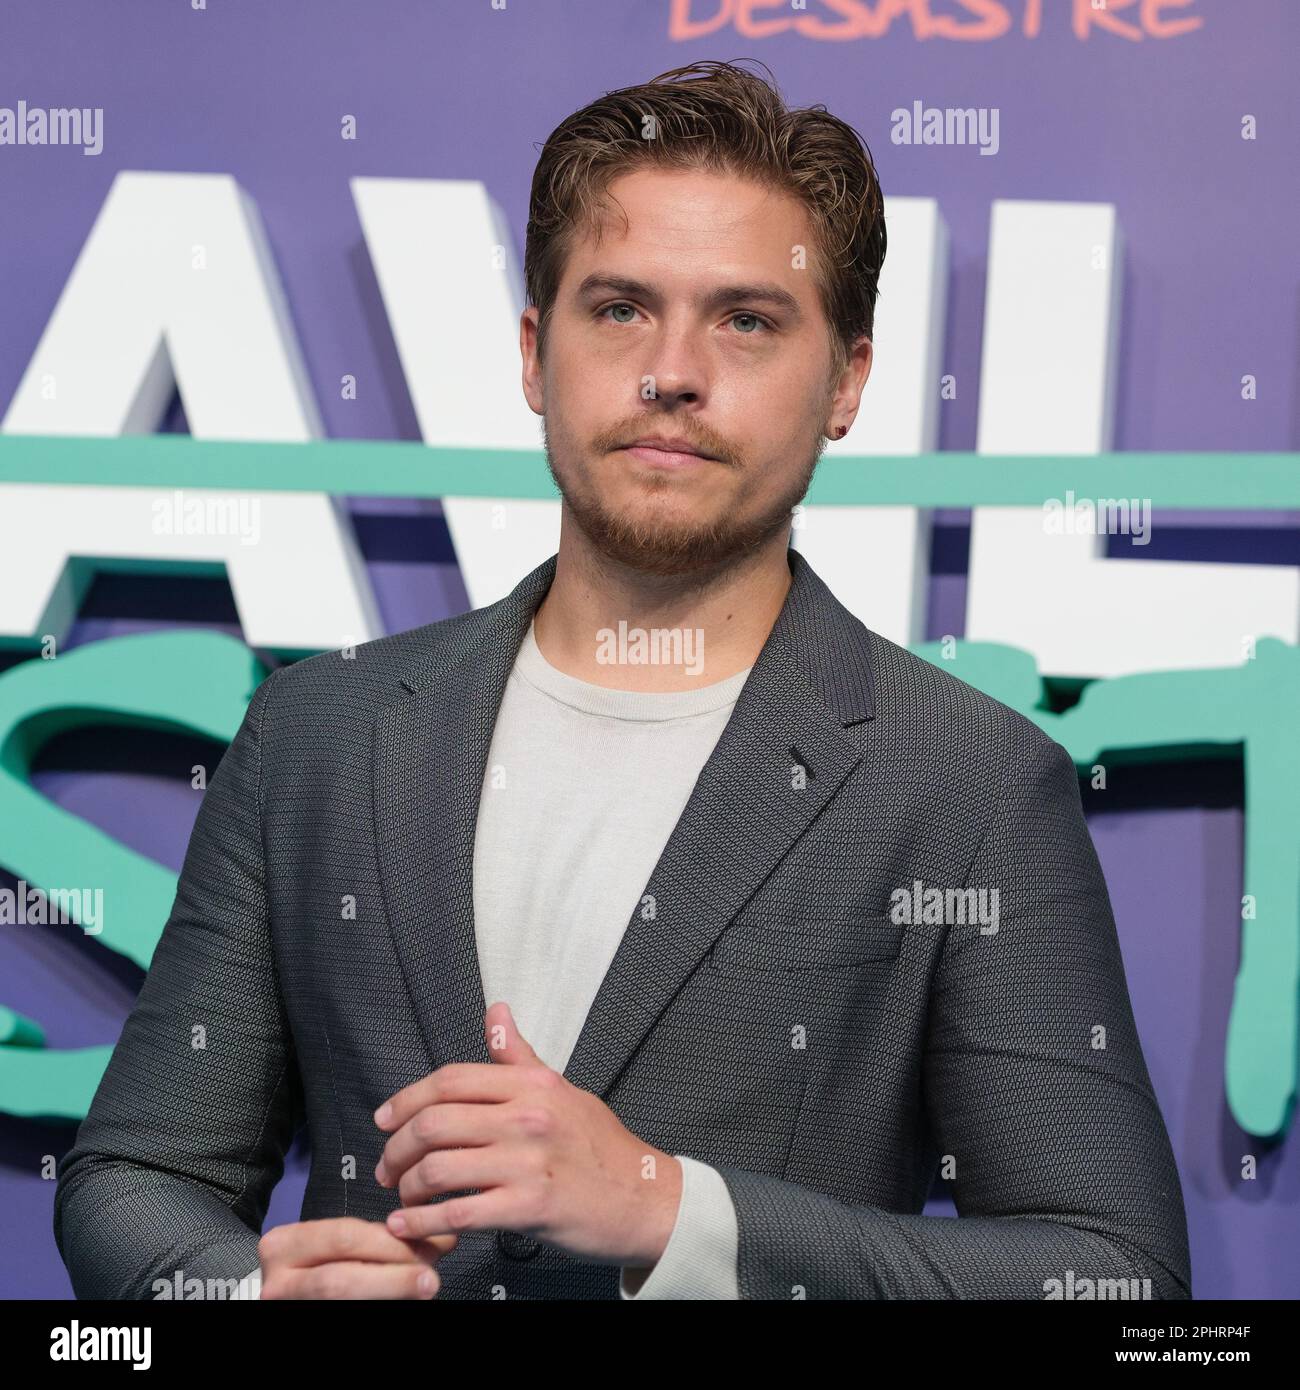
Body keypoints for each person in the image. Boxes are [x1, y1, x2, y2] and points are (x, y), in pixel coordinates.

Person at [54, 58, 1191, 1301]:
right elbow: (131, 1177)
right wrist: (240, 1296)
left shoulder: (967, 784)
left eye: (748, 320)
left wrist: (670, 1208)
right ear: (537, 356)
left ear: (848, 382)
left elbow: (1113, 1276)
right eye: (619, 309)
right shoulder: (316, 732)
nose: (671, 372)